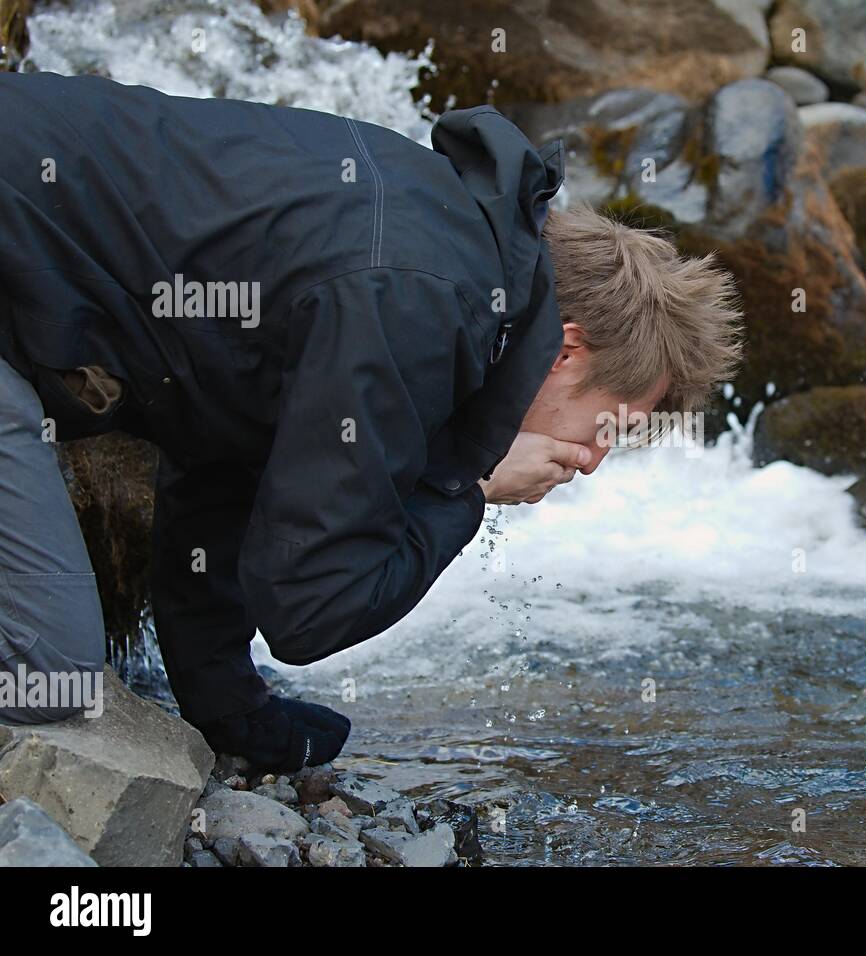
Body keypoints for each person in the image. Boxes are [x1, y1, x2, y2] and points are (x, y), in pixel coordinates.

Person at [0, 72, 742, 770]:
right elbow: (309, 605)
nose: (592, 461)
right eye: (610, 428)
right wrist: (466, 487)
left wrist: (228, 709)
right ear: (569, 354)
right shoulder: (413, 302)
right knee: (50, 672)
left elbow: (222, 468)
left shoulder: (453, 264)